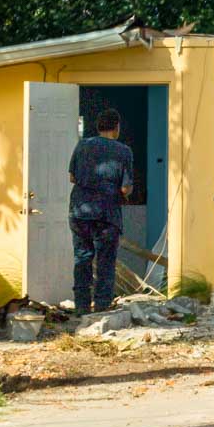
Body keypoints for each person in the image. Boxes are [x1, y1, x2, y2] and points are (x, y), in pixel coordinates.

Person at [67, 108, 134, 315]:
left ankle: (82, 306)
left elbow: (71, 177)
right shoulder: (123, 151)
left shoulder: (82, 145)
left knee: (82, 257)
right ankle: (103, 305)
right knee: (105, 260)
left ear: (98, 127)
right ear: (116, 128)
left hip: (79, 211)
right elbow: (125, 188)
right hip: (106, 214)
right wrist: (126, 194)